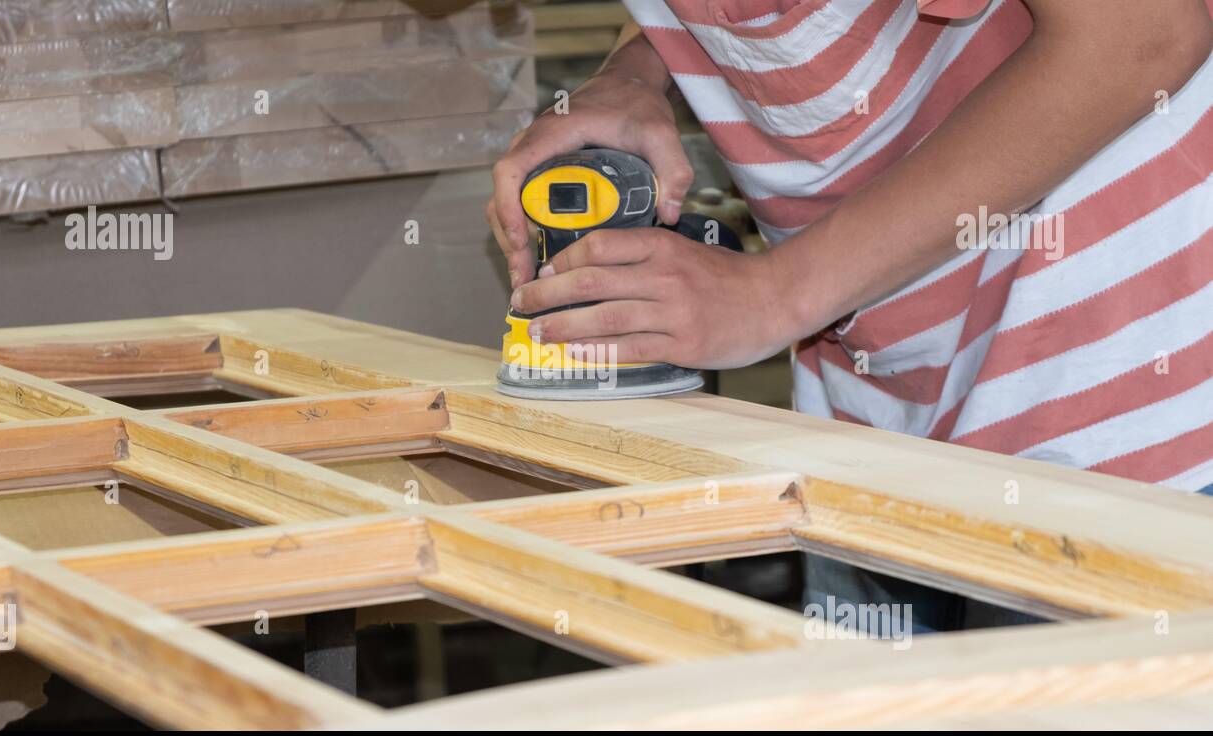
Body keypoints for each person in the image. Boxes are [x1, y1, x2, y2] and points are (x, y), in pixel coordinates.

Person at [486, 0, 1213, 631]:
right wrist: (637, 70)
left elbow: (1142, 32)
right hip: (872, 417)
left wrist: (774, 295)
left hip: (1121, 418)